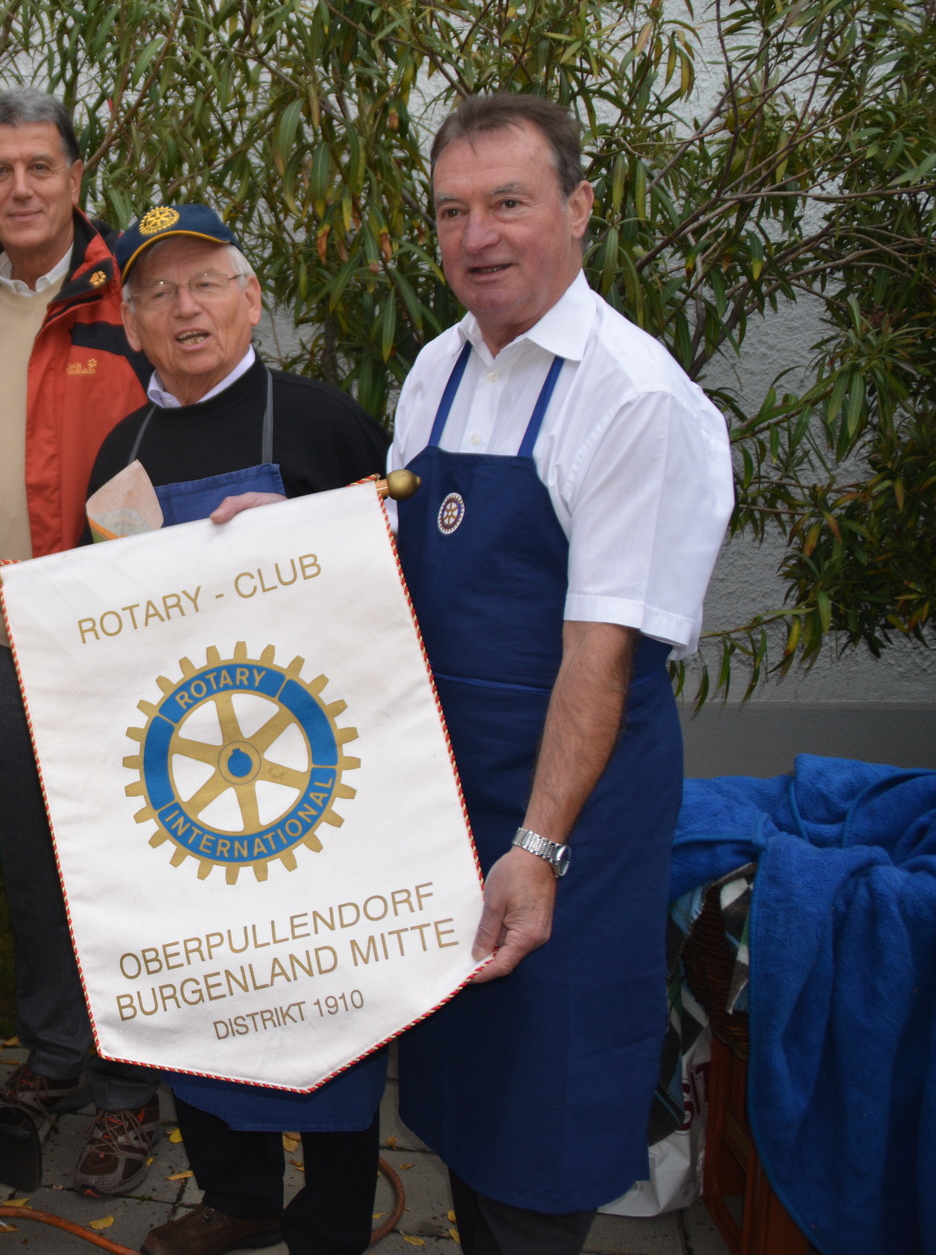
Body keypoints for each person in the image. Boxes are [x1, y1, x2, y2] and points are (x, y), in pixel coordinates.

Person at [386, 95, 732, 1253]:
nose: (476, 236)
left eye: (507, 203)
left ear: (578, 209)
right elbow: (389, 581)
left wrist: (536, 853)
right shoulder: (435, 370)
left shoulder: (630, 397)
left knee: (546, 1111)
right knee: (459, 1097)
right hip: (451, 804)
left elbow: (599, 654)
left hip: (570, 822)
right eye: (451, 211)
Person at [88, 207, 391, 1255]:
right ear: (132, 323)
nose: (186, 309)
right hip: (184, 781)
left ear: (250, 300)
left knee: (328, 989)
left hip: (318, 773)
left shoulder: (321, 423)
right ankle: (238, 1196)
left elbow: (399, 576)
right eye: (158, 293)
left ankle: (334, 1215)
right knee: (204, 986)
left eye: (206, 282)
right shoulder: (120, 453)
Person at [0, 87, 157, 1195]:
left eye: (39, 167)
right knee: (29, 860)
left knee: (116, 867)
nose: (19, 188)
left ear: (74, 176)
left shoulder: (133, 293)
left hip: (110, 644)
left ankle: (131, 1092)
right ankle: (60, 1054)